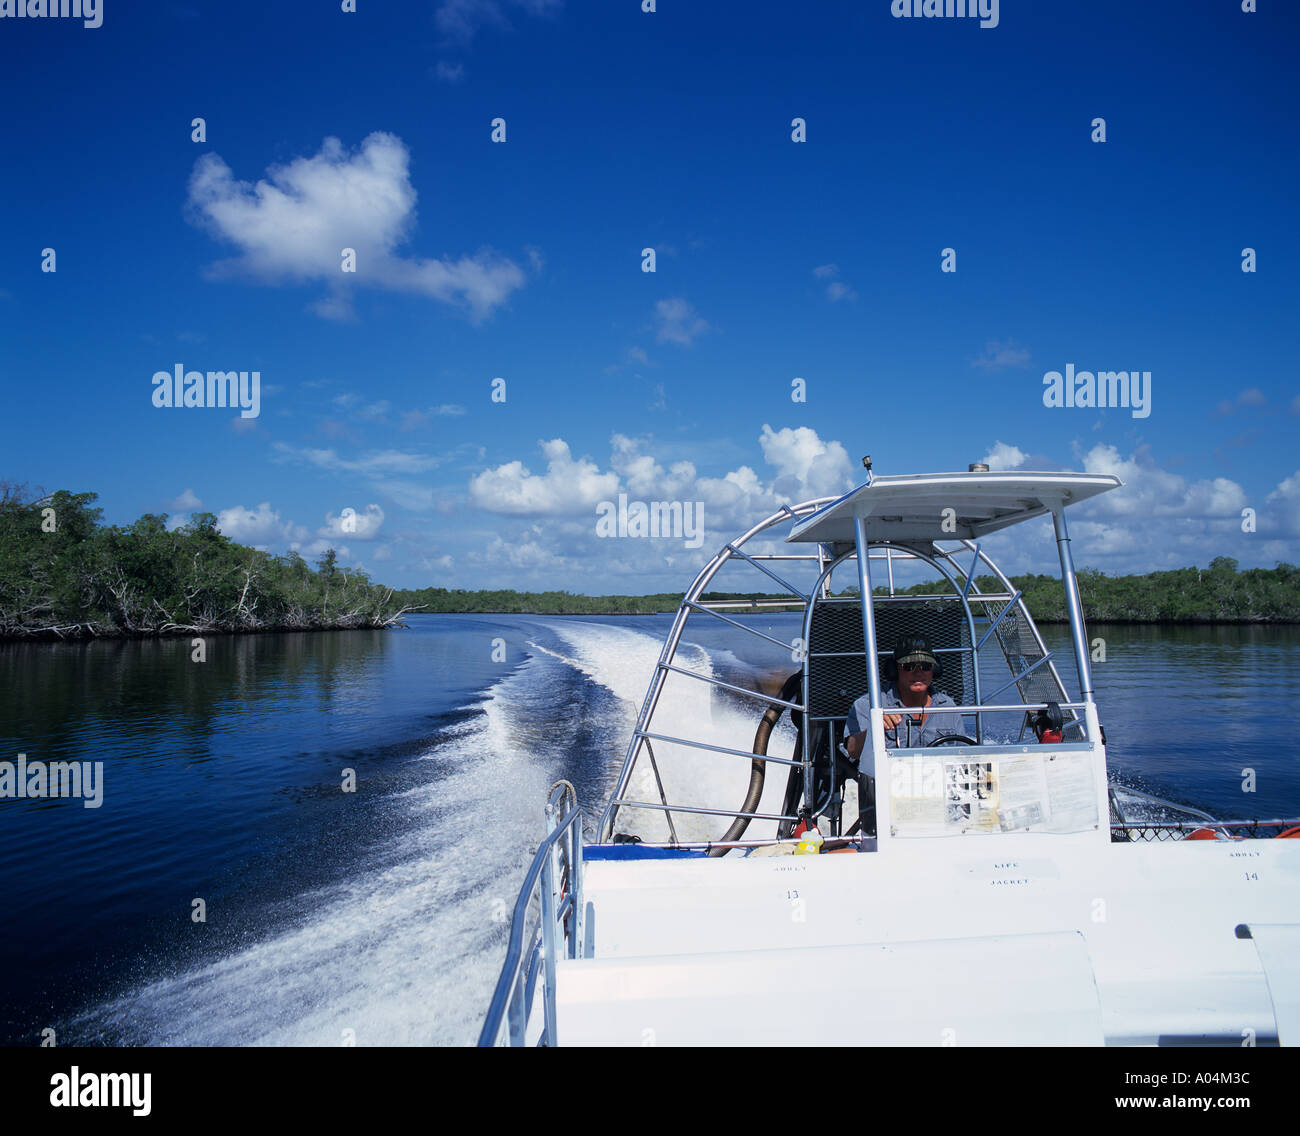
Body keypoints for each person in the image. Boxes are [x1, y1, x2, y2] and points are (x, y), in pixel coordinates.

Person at [843, 636, 965, 765]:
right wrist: (876, 728)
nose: (918, 673)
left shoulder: (948, 707)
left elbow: (964, 753)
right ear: (895, 669)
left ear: (934, 669)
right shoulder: (869, 704)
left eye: (925, 666)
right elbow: (852, 751)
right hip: (889, 782)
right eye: (909, 666)